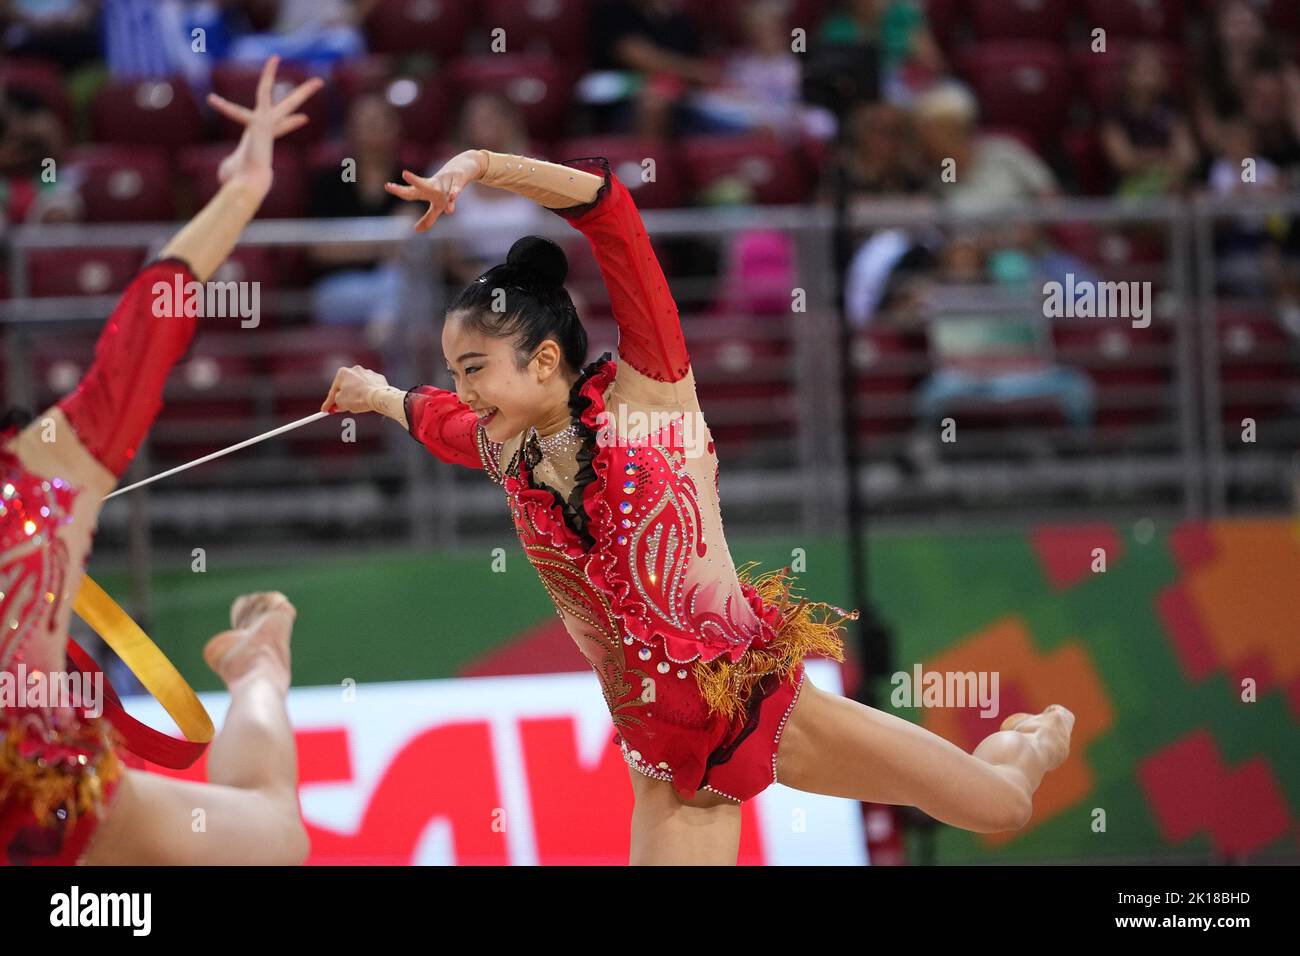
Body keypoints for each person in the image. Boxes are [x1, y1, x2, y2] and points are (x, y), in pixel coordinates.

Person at [321, 148, 1076, 864]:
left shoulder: (651, 394)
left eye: (475, 368)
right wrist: (378, 396)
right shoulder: (508, 448)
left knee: (1001, 807)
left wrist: (484, 168)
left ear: (545, 358)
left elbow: (611, 213)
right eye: (456, 370)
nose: (464, 391)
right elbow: (442, 423)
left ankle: (1028, 743)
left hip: (757, 706)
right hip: (663, 747)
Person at [0, 57, 320, 865]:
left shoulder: (48, 463)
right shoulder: (51, 462)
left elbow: (151, 319)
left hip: (41, 794)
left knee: (276, 839)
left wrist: (242, 192)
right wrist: (241, 188)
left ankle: (256, 670)